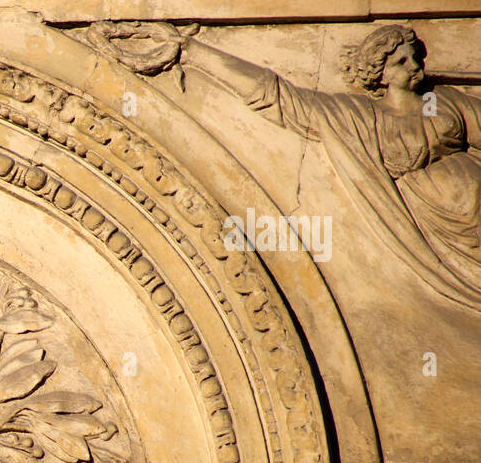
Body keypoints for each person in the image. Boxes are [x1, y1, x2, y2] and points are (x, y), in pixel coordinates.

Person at [97, 22, 481, 310]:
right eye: (400, 61)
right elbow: (279, 97)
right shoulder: (360, 119)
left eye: (414, 57)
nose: (413, 66)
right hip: (442, 236)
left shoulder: (446, 102)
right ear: (379, 73)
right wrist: (192, 52)